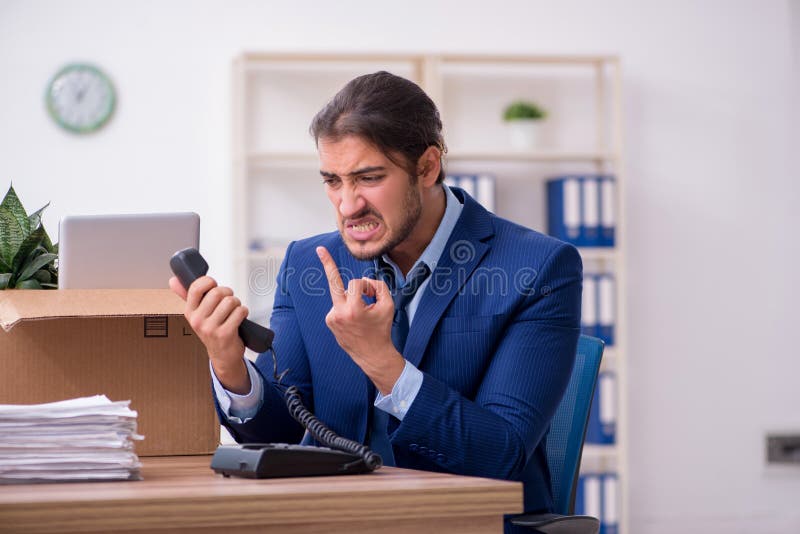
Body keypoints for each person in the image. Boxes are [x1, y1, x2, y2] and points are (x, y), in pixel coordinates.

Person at [169, 71, 582, 527]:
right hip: (339, 520)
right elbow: (280, 431)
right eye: (332, 181)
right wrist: (230, 365)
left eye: (368, 178)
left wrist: (382, 362)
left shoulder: (539, 267)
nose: (347, 205)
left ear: (427, 167)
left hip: (466, 522)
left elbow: (500, 456)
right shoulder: (309, 262)